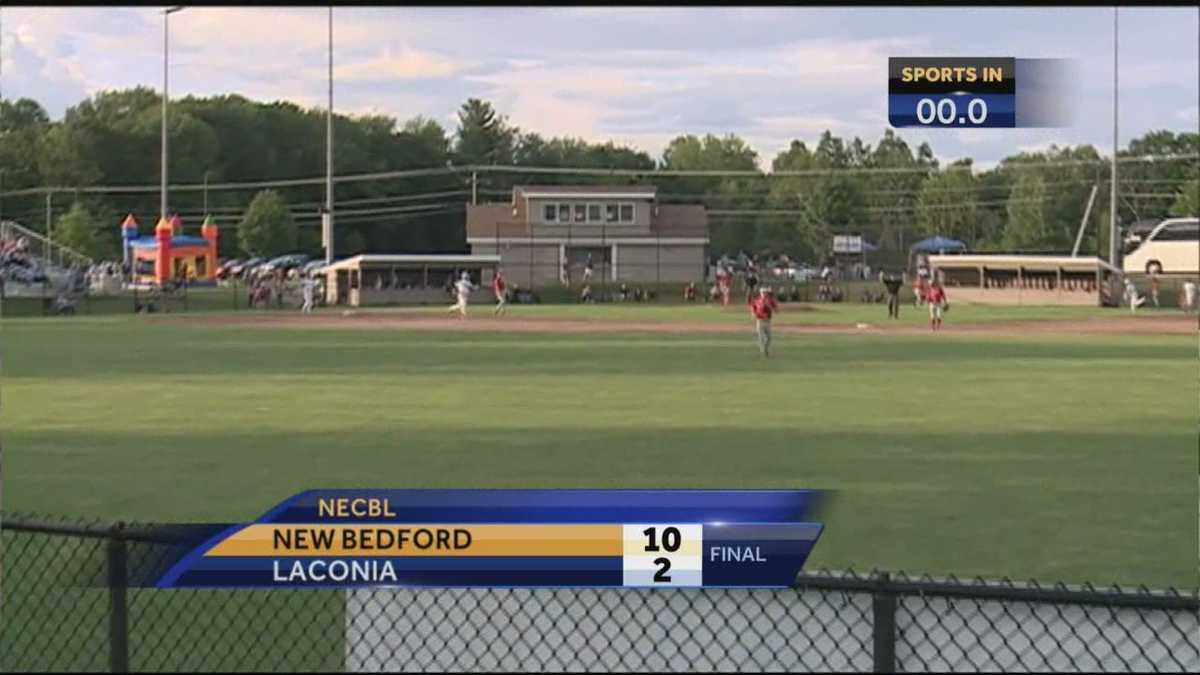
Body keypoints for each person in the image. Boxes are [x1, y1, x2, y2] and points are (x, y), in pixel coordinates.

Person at [748, 285, 780, 358]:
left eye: (765, 292)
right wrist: (753, 314)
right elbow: (753, 309)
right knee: (761, 337)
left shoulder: (771, 300)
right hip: (760, 321)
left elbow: (777, 310)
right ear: (760, 293)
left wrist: (770, 306)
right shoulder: (757, 300)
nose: (764, 294)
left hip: (768, 321)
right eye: (763, 292)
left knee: (769, 338)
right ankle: (763, 352)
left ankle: (766, 349)